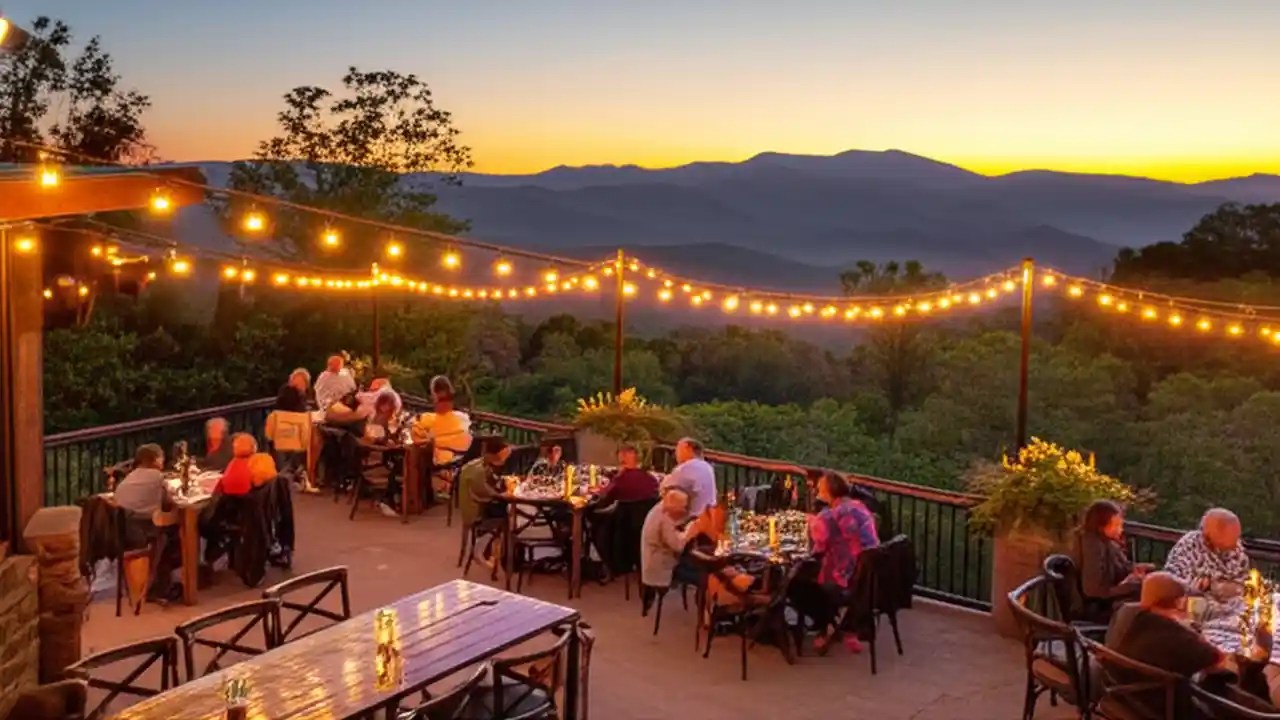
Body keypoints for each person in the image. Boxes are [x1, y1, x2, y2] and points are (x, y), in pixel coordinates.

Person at [1104, 572, 1236, 718]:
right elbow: (1218, 661)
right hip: (1161, 712)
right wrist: (1190, 630)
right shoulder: (1177, 637)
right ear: (1179, 602)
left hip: (1121, 701)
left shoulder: (1125, 613)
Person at [788, 471, 880, 654]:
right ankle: (840, 625)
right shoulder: (859, 507)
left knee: (793, 584)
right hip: (870, 578)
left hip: (846, 579)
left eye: (819, 488)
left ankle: (824, 622)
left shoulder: (829, 517)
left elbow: (817, 549)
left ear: (828, 492)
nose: (816, 491)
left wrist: (810, 523)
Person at [113, 444, 180, 601]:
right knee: (172, 535)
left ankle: (146, 584)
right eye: (162, 457)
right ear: (156, 459)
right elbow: (170, 502)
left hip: (122, 532)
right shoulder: (157, 477)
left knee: (165, 532)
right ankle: (160, 587)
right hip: (143, 532)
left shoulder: (128, 479)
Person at [1076, 500, 1147, 622]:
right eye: (1116, 525)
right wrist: (1129, 586)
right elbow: (1092, 589)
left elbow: (1122, 567)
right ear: (1101, 526)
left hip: (1109, 600)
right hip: (1099, 608)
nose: (1121, 530)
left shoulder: (1108, 543)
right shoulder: (1093, 547)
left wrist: (1138, 573)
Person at [1163, 508, 1250, 599]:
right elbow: (1172, 581)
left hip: (1229, 608)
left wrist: (1215, 586)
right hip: (1192, 605)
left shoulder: (1238, 553)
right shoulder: (1190, 544)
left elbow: (1242, 588)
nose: (1236, 545)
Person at [411, 375, 473, 469]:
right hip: (459, 466)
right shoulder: (463, 419)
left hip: (438, 467)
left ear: (433, 398)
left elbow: (416, 440)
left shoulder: (425, 420)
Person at [640, 489, 697, 590]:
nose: (684, 510)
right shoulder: (665, 518)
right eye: (683, 507)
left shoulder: (659, 509)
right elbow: (678, 546)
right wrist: (690, 531)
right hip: (662, 567)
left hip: (654, 560)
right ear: (674, 505)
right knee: (702, 576)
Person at [660, 437, 717, 517]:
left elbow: (663, 490)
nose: (675, 455)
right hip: (708, 517)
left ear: (687, 447)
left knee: (659, 511)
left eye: (678, 450)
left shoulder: (685, 467)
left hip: (691, 519)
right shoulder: (708, 467)